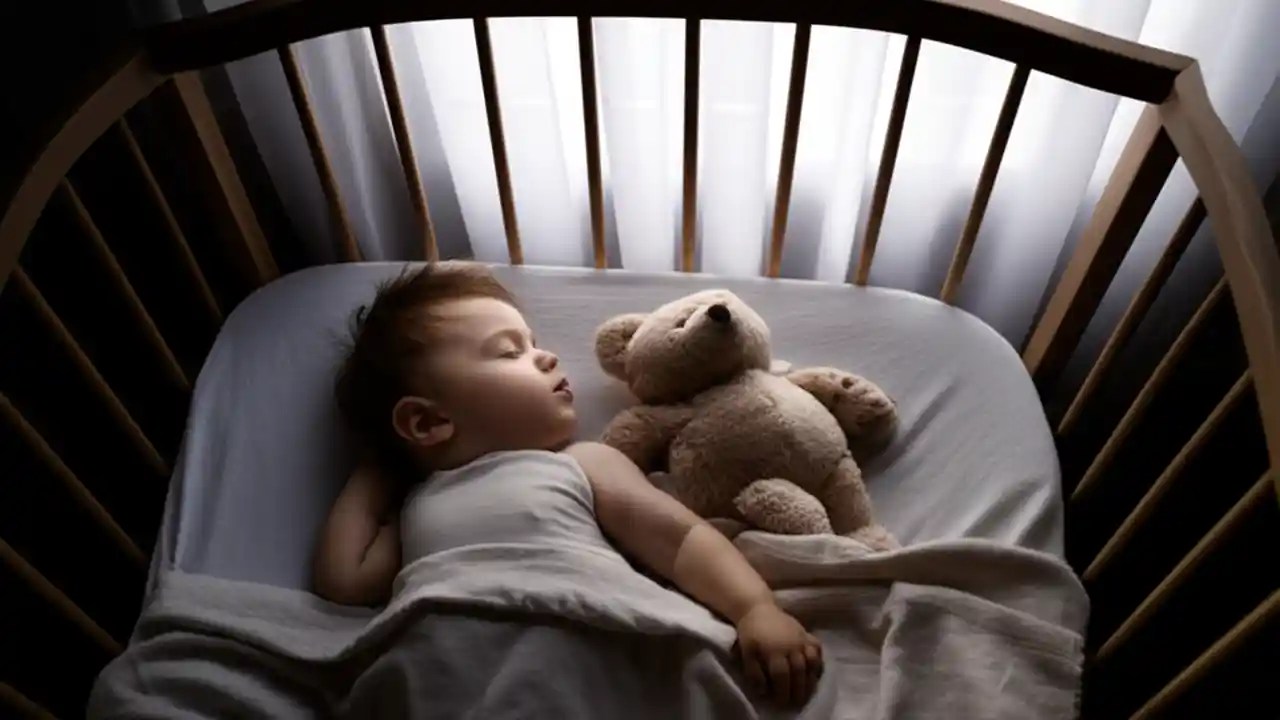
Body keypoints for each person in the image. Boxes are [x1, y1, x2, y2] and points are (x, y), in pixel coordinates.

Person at [315, 262, 822, 706]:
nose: (547, 357)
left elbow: (680, 541)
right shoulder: (419, 503)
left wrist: (754, 608)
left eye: (534, 343)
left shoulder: (580, 462)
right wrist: (377, 470)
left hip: (581, 645)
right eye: (509, 352)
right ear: (427, 423)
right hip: (452, 666)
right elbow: (345, 581)